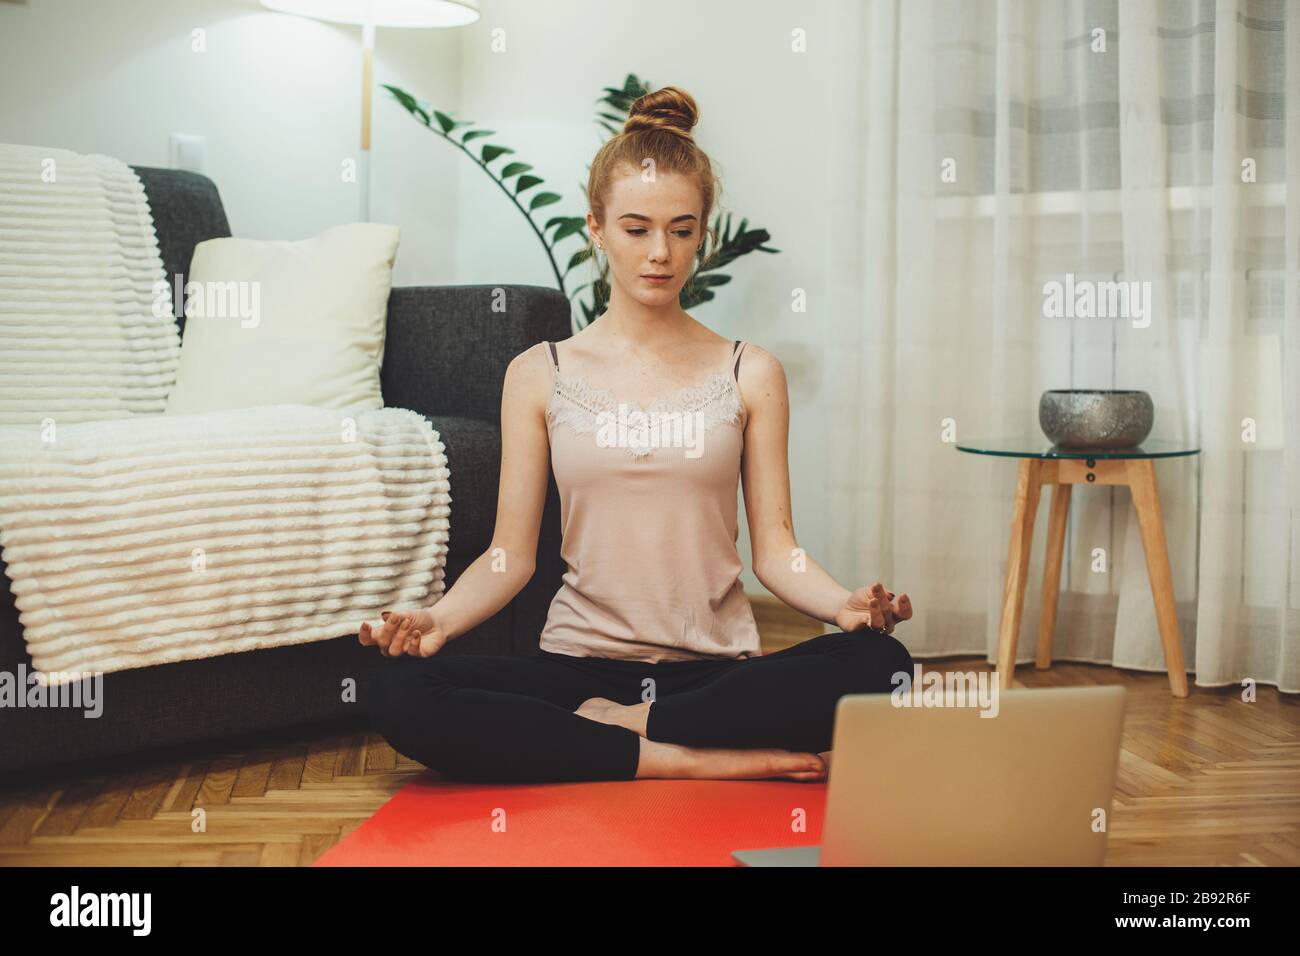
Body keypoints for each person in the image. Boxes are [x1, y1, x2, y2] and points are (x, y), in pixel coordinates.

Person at [359, 85, 914, 784]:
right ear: (596, 227)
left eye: (682, 231)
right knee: (396, 688)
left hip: (714, 678)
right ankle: (680, 759)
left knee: (884, 665)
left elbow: (777, 553)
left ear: (702, 234)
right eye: (636, 228)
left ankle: (629, 737)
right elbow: (510, 555)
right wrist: (438, 620)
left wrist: (844, 607)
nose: (661, 253)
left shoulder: (751, 371)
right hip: (579, 673)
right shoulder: (539, 374)